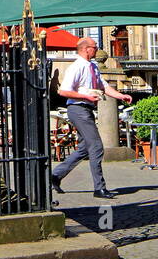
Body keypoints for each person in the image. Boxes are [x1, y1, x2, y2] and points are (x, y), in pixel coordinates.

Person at [52, 36, 132, 199]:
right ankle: (99, 188)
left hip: (86, 109)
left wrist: (120, 96)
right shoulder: (76, 67)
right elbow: (63, 91)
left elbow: (103, 86)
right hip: (77, 108)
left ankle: (55, 176)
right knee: (96, 146)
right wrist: (86, 97)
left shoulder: (93, 66)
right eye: (95, 47)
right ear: (86, 49)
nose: (97, 49)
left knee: (84, 148)